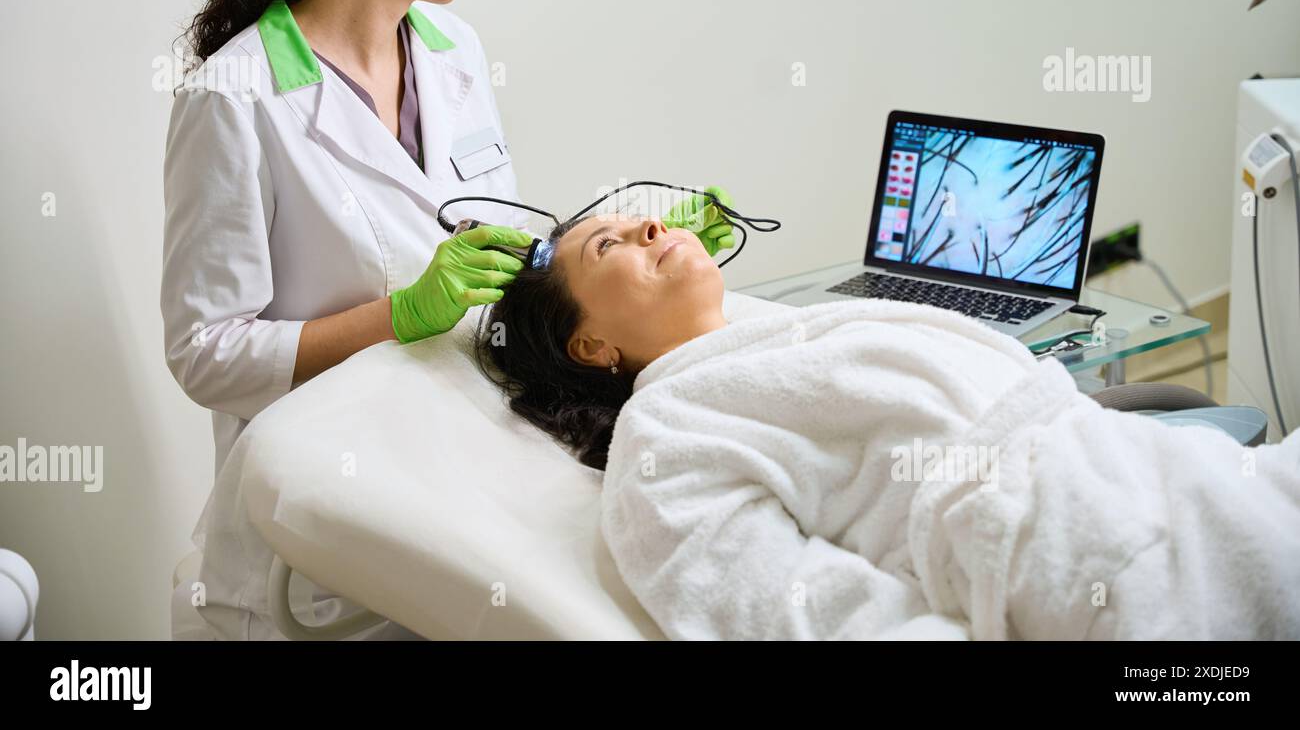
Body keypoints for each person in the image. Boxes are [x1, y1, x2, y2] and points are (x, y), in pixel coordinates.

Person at [159, 0, 736, 640]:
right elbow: (205, 355)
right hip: (317, 538)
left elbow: (496, 248)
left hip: (458, 477)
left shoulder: (452, 50)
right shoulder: (233, 98)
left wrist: (646, 243)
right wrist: (397, 316)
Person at [478, 213, 1300, 639]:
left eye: (638, 220)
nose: (650, 227)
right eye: (609, 246)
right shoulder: (662, 443)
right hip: (1079, 556)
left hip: (1144, 468)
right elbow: (803, 618)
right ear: (592, 346)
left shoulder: (783, 334)